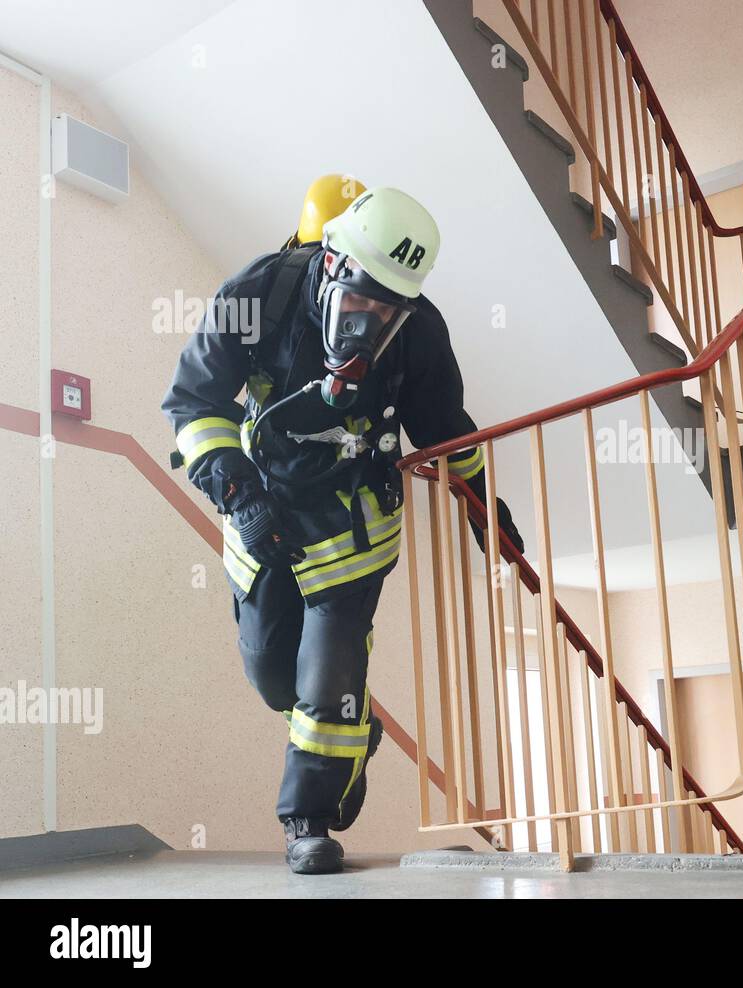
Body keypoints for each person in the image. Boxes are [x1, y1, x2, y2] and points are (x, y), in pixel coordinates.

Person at [163, 183, 522, 874]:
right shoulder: (259, 294)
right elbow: (193, 400)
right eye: (359, 301)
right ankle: (359, 734)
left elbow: (446, 429)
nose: (368, 323)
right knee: (274, 679)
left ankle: (310, 823)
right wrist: (238, 491)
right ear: (330, 263)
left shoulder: (418, 332)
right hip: (262, 507)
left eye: (386, 310)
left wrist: (484, 501)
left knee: (326, 675)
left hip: (353, 523)